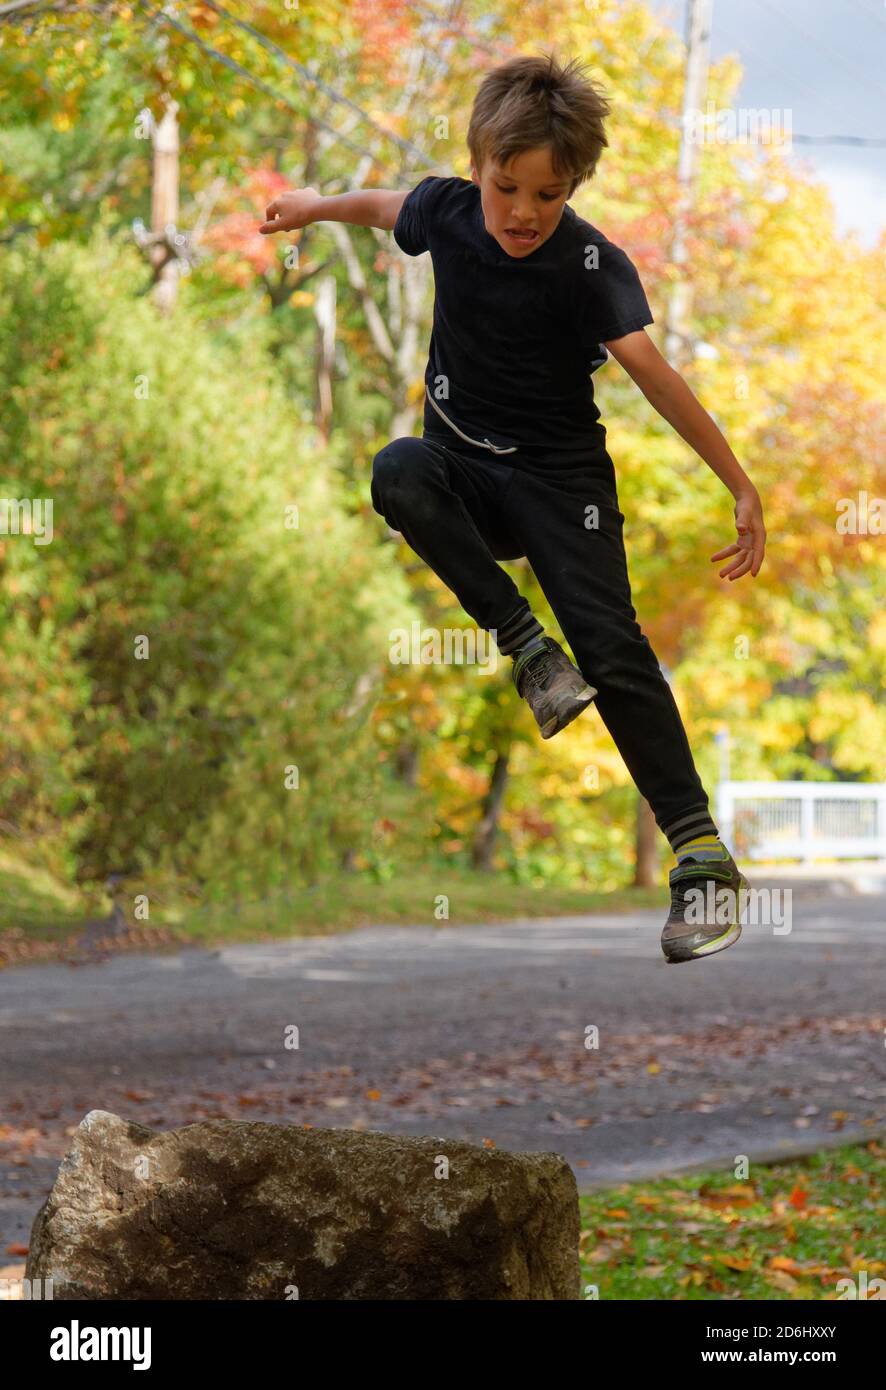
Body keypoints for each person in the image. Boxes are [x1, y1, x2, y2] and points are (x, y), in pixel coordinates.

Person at [259, 51, 767, 964]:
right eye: (508, 187)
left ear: (573, 186)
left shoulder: (588, 262)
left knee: (613, 649)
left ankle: (700, 860)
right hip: (458, 468)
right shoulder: (448, 210)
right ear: (479, 164)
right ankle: (531, 656)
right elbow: (382, 207)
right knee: (395, 469)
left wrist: (737, 483)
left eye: (549, 193)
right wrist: (309, 207)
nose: (525, 213)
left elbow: (654, 375)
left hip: (559, 489)